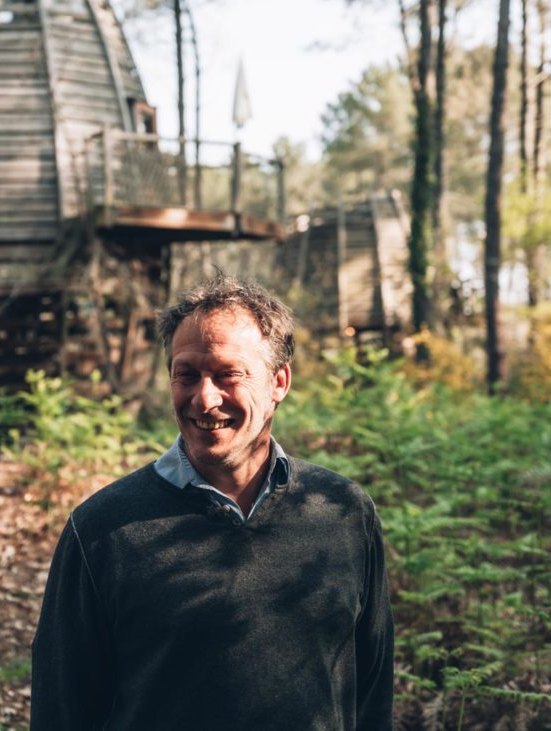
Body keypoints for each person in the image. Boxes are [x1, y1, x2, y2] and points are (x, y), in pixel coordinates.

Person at [30, 274, 394, 730]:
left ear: (279, 381)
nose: (204, 398)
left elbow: (373, 695)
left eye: (227, 375)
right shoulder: (102, 530)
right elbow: (62, 711)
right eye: (187, 375)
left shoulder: (343, 512)